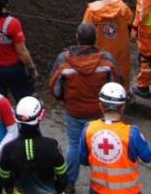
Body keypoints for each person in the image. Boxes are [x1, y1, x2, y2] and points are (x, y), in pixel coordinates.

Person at [49, 23, 119, 190]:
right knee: (99, 148)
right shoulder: (106, 59)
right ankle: (99, 184)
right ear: (95, 39)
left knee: (73, 145)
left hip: (74, 112)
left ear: (77, 38)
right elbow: (116, 84)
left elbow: (54, 87)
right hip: (99, 113)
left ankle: (70, 183)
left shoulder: (64, 59)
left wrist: (63, 98)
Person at [83, 83, 151, 194]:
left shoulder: (88, 129)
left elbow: (83, 159)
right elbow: (148, 157)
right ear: (123, 108)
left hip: (98, 190)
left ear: (100, 105)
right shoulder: (132, 133)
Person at [0, 96, 69, 194]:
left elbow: (5, 178)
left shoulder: (8, 149)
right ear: (41, 115)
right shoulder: (51, 146)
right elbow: (62, 176)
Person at [82, 0, 134, 86]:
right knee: (121, 74)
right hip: (121, 50)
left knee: (101, 79)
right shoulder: (122, 6)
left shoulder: (92, 11)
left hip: (101, 53)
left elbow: (85, 33)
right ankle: (124, 95)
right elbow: (131, 24)